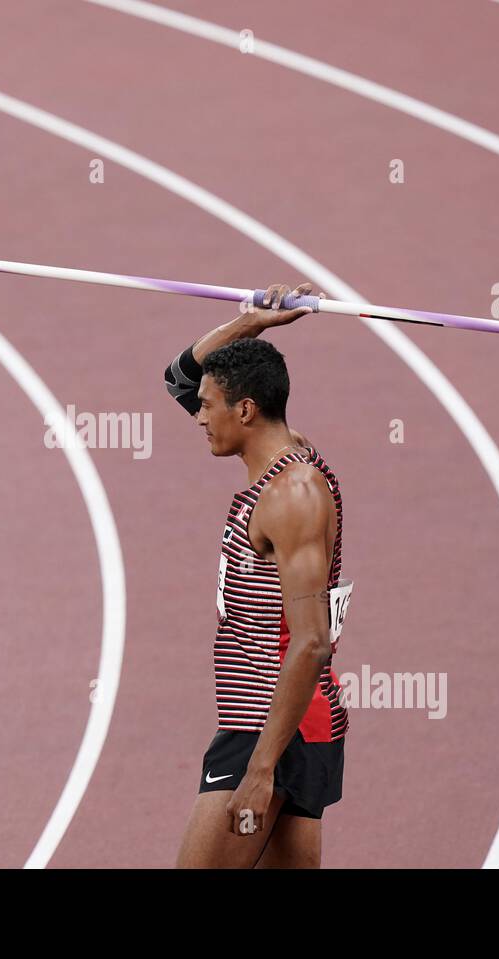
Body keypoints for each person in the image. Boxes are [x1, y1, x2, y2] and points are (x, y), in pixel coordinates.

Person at [164, 281, 351, 869]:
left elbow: (313, 641)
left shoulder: (292, 496)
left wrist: (259, 770)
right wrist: (251, 324)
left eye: (209, 406)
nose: (198, 416)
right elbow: (178, 378)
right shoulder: (283, 459)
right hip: (288, 721)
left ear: (244, 410)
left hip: (271, 726)